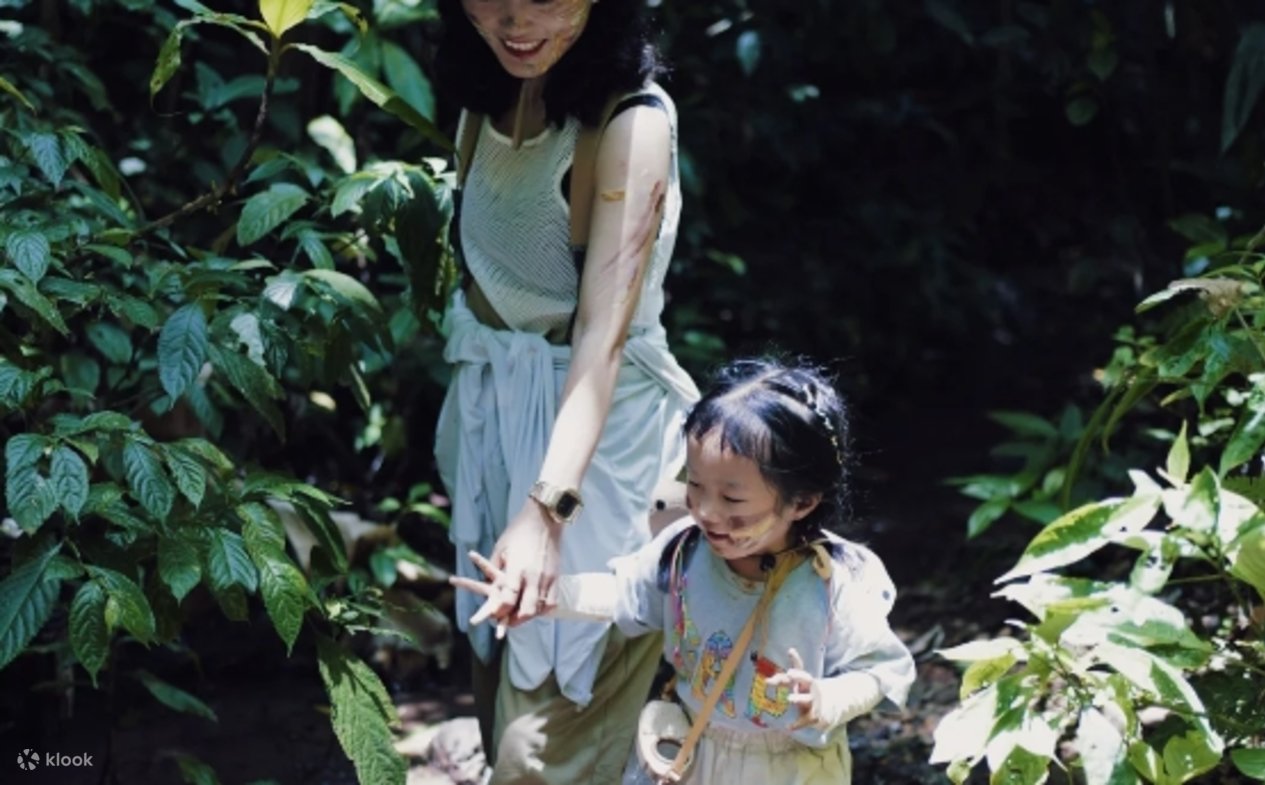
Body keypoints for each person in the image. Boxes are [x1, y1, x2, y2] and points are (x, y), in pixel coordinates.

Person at [430, 1, 698, 782]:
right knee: (498, 703)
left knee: (539, 750)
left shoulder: (630, 123)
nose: (516, 22)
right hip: (495, 427)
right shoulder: (488, 96)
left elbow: (600, 335)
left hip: (599, 455)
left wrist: (545, 511)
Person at [454, 358, 917, 785]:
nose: (707, 512)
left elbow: (880, 671)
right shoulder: (684, 552)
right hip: (692, 753)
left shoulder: (834, 580)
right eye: (695, 485)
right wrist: (542, 597)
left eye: (732, 499)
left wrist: (826, 700)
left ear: (802, 502)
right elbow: (622, 593)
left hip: (791, 767)